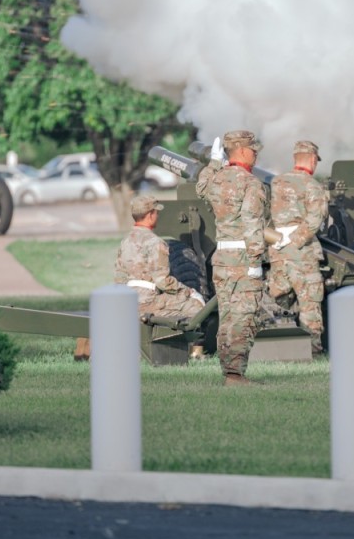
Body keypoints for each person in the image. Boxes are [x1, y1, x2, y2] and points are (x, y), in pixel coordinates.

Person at [195, 130, 268, 386]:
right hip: (243, 258)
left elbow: (201, 187)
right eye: (253, 149)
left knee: (227, 316)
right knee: (244, 317)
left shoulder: (216, 179)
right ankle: (235, 374)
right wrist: (256, 260)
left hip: (222, 257)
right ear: (242, 150)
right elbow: (252, 222)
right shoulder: (251, 183)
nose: (256, 154)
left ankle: (229, 371)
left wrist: (214, 163)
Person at [113, 194, 206, 357]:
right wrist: (188, 291)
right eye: (156, 212)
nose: (158, 215)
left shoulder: (125, 241)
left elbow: (119, 278)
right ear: (150, 215)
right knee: (196, 306)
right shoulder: (156, 243)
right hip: (148, 302)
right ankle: (195, 353)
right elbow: (163, 281)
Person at [267, 140, 328, 357]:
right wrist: (295, 239)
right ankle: (313, 351)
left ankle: (277, 348)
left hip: (277, 249)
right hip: (302, 253)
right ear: (312, 160)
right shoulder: (313, 185)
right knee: (310, 302)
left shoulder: (276, 182)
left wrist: (280, 239)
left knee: (277, 298)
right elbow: (315, 219)